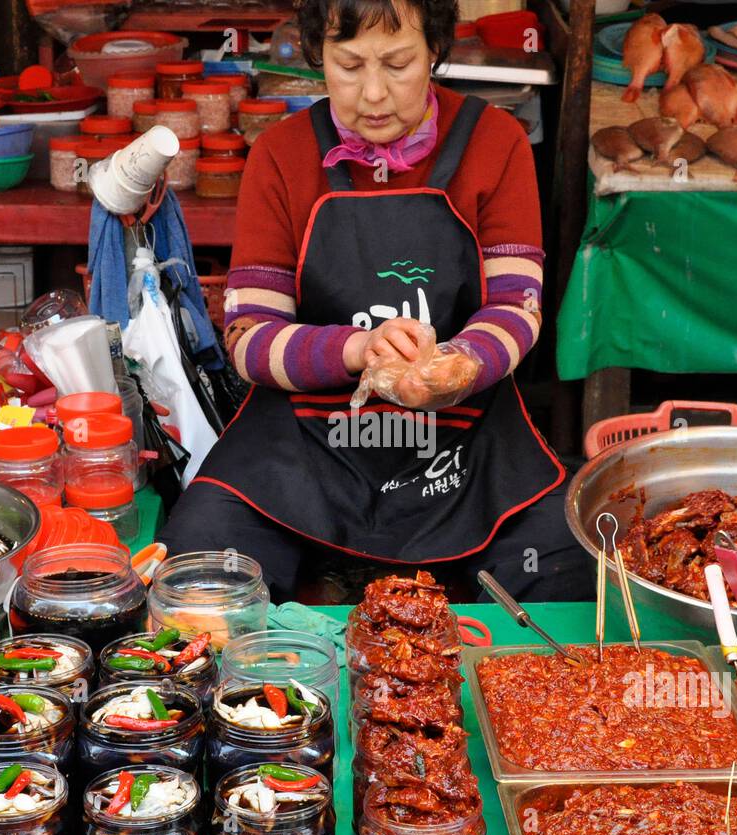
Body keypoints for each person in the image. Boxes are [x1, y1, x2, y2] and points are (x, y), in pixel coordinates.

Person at [162, 0, 591, 603]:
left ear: (435, 50)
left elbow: (516, 308)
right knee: (202, 560)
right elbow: (250, 337)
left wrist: (459, 363)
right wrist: (359, 348)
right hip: (304, 448)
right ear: (319, 57)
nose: (373, 95)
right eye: (348, 65)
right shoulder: (281, 155)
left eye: (398, 63)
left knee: (562, 561)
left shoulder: (497, 143)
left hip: (461, 441)